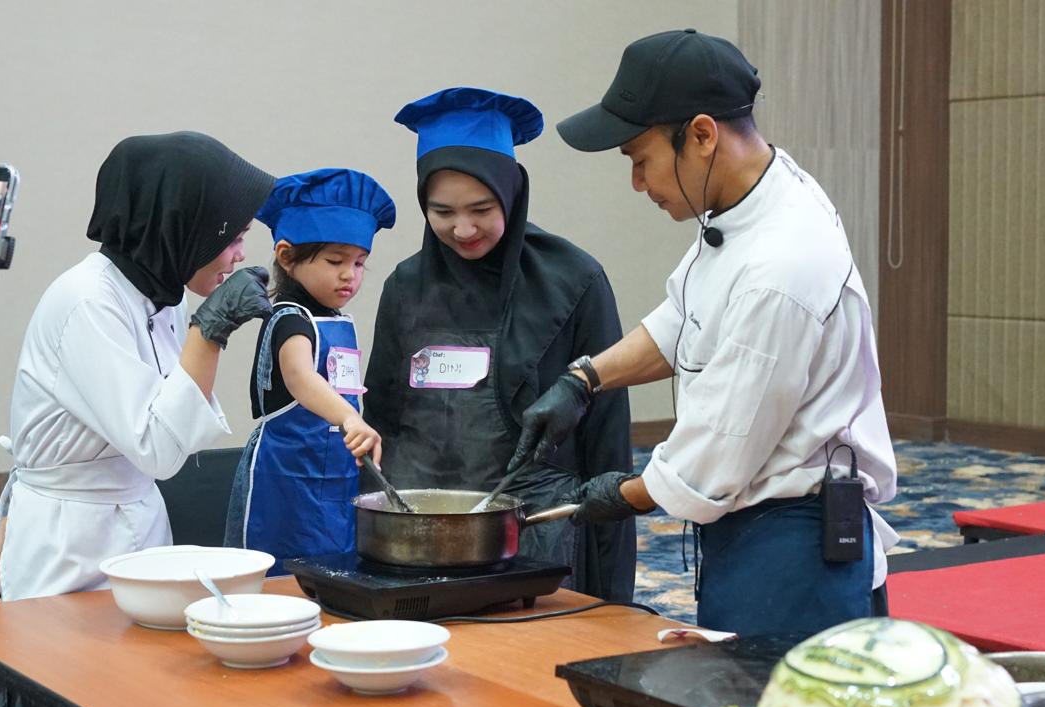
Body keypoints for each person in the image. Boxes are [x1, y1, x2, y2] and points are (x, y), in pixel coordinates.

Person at [509, 30, 899, 636]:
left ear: (701, 135)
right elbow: (684, 316)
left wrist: (611, 495)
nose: (638, 183)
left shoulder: (782, 266)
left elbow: (716, 454)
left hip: (794, 546)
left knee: (775, 685)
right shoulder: (755, 194)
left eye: (640, 160)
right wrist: (584, 379)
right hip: (752, 523)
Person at [362, 87, 636, 601]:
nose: (463, 229)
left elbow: (607, 437)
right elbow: (382, 420)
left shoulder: (573, 280)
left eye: (481, 208)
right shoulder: (405, 287)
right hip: (425, 532)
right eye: (442, 212)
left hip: (542, 535)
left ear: (511, 194)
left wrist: (613, 584)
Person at [0, 131, 276, 601]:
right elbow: (158, 449)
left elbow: (174, 429)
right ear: (185, 227)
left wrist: (205, 328)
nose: (241, 255)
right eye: (235, 238)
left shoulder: (163, 295)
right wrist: (210, 331)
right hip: (67, 540)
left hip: (137, 516)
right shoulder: (88, 301)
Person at [223, 168, 395, 572]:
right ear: (287, 257)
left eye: (360, 263)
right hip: (286, 478)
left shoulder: (340, 321)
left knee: (336, 570)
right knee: (284, 577)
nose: (349, 275)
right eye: (335, 261)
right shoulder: (289, 319)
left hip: (335, 477)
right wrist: (349, 418)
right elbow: (301, 378)